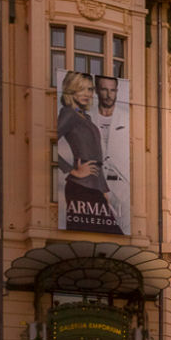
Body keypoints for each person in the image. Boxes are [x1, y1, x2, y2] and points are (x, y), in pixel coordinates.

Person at [55, 72, 121, 233]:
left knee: (109, 238)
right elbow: (48, 142)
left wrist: (104, 190)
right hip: (80, 187)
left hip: (94, 187)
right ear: (70, 90)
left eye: (90, 89)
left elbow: (97, 157)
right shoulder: (68, 113)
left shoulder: (85, 117)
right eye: (81, 89)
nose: (87, 94)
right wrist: (72, 170)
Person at [90, 74, 131, 230]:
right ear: (96, 91)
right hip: (95, 186)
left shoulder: (126, 117)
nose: (108, 95)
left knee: (122, 226)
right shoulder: (87, 117)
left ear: (117, 91)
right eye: (104, 90)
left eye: (112, 91)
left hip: (122, 186)